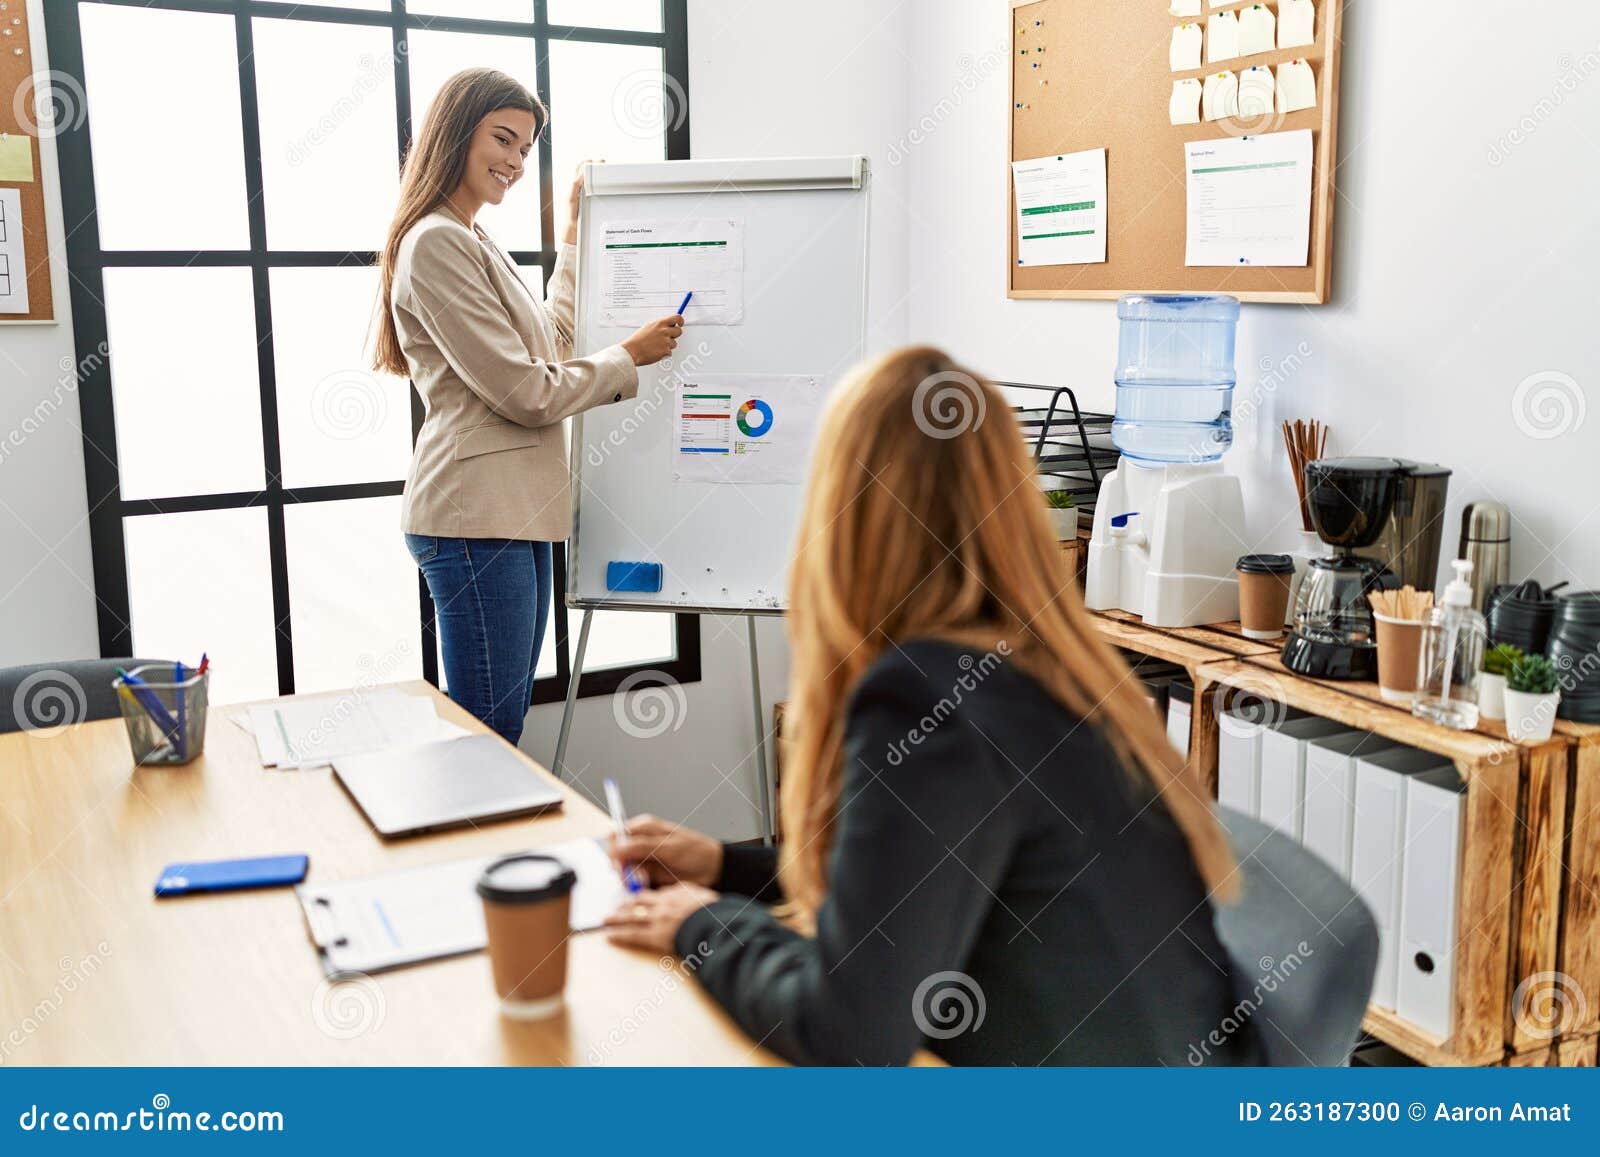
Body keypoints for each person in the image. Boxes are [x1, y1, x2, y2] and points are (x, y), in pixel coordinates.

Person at [603, 346, 1257, 1067]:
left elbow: (848, 1035)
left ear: (842, 516)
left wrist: (703, 924)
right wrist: (726, 865)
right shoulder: (1050, 665)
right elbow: (905, 886)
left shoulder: (924, 700)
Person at [372, 69, 681, 745]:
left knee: (499, 727)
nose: (514, 161)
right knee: (491, 733)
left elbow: (555, 340)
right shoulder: (436, 242)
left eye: (525, 148)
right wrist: (629, 357)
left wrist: (573, 230)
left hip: (510, 515)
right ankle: (467, 850)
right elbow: (526, 391)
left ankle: (474, 845)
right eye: (502, 139)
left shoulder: (474, 238)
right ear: (457, 133)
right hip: (475, 516)